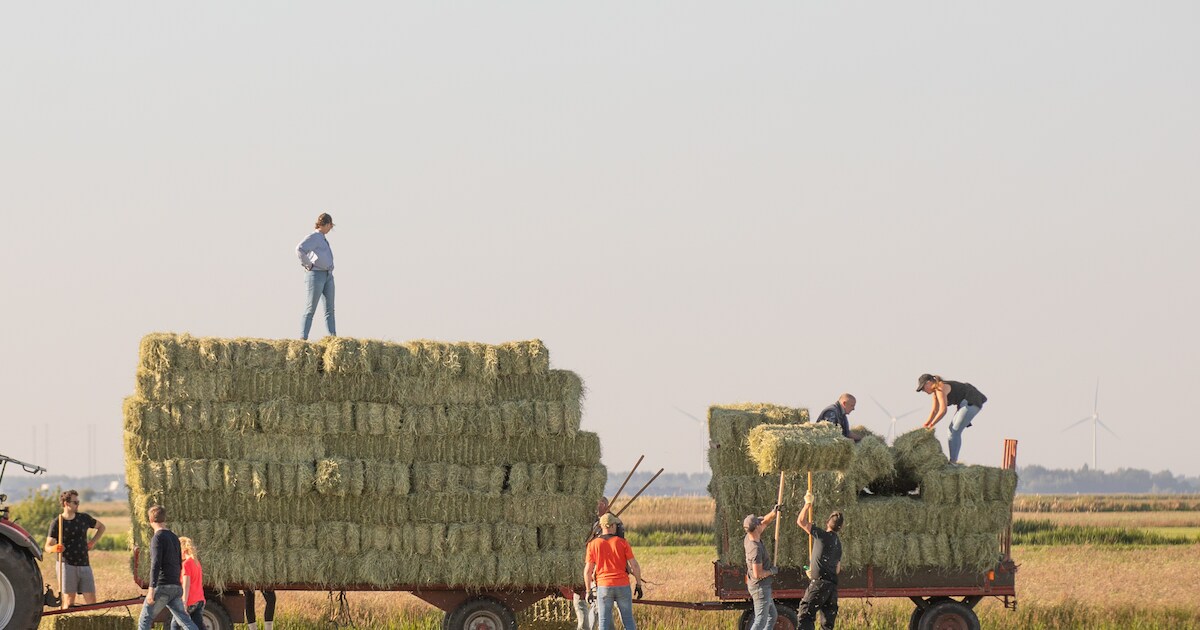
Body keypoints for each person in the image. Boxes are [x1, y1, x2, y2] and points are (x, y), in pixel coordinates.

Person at [137, 506, 199, 630]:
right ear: (164, 519)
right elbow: (179, 563)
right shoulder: (174, 538)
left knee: (144, 621)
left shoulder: (157, 538)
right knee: (185, 622)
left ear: (150, 520)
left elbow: (155, 564)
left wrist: (151, 590)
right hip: (175, 587)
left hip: (162, 586)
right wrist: (177, 584)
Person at [43, 489, 105, 608]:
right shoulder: (57, 522)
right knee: (68, 601)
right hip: (66, 565)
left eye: (78, 502)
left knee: (92, 600)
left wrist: (92, 542)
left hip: (84, 564)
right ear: (66, 503)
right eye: (75, 502)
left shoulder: (84, 518)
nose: (78, 505)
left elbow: (101, 527)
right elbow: (47, 547)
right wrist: (55, 548)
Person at [584, 513, 644, 630]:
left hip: (604, 586)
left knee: (603, 622)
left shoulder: (592, 545)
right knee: (628, 621)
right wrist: (638, 584)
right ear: (611, 526)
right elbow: (635, 565)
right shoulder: (622, 543)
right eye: (615, 525)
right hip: (622, 586)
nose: (616, 527)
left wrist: (588, 591)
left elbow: (587, 571)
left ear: (601, 527)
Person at [795, 493, 843, 630]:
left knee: (805, 614)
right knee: (827, 624)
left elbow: (801, 521)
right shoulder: (838, 544)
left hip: (819, 583)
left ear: (828, 522)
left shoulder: (822, 535)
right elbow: (837, 569)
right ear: (841, 527)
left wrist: (807, 504)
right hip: (832, 588)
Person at [916, 374, 988, 464]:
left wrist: (932, 425)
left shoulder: (940, 388)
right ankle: (952, 461)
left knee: (956, 430)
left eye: (923, 388)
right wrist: (926, 424)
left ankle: (953, 462)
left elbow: (943, 410)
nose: (923, 391)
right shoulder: (936, 393)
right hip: (963, 404)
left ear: (929, 383)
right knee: (950, 431)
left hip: (971, 400)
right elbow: (935, 411)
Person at [743, 503, 784, 630]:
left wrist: (774, 512)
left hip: (761, 587)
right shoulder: (755, 549)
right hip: (760, 588)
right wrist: (772, 571)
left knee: (772, 616)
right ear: (756, 528)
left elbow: (765, 521)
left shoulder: (749, 535)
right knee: (760, 621)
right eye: (758, 522)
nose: (761, 523)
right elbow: (758, 574)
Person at [296, 213, 336, 341]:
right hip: (316, 274)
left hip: (328, 275)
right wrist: (308, 265)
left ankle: (333, 337)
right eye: (330, 225)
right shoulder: (314, 237)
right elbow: (300, 249)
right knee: (311, 308)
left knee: (330, 309)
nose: (330, 228)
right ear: (326, 224)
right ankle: (303, 337)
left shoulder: (323, 238)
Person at [171, 537, 204, 630]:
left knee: (175, 625)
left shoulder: (186, 564)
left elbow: (186, 585)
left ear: (183, 550)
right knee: (198, 626)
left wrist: (184, 603)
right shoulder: (196, 563)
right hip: (200, 600)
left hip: (190, 600)